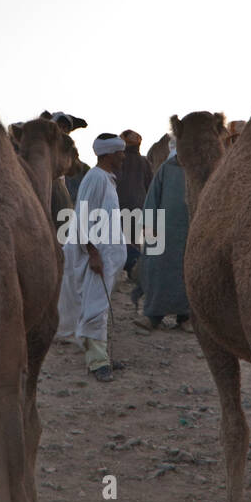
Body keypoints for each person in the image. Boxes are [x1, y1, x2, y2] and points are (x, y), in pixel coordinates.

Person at [56, 134, 127, 381]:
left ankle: (102, 355)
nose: (123, 156)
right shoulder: (95, 178)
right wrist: (93, 253)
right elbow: (82, 217)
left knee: (99, 304)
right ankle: (97, 363)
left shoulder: (107, 180)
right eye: (120, 152)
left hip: (105, 255)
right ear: (108, 154)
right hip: (95, 255)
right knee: (95, 306)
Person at [135, 142, 191, 330]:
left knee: (187, 275)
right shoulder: (166, 169)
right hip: (163, 233)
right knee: (158, 273)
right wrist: (149, 226)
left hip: (190, 233)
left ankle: (186, 318)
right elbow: (152, 197)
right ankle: (152, 316)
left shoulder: (200, 168)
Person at [116, 129, 153, 278]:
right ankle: (133, 271)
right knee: (134, 240)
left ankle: (123, 269)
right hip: (139, 206)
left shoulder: (118, 160)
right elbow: (150, 185)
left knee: (120, 240)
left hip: (119, 206)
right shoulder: (145, 162)